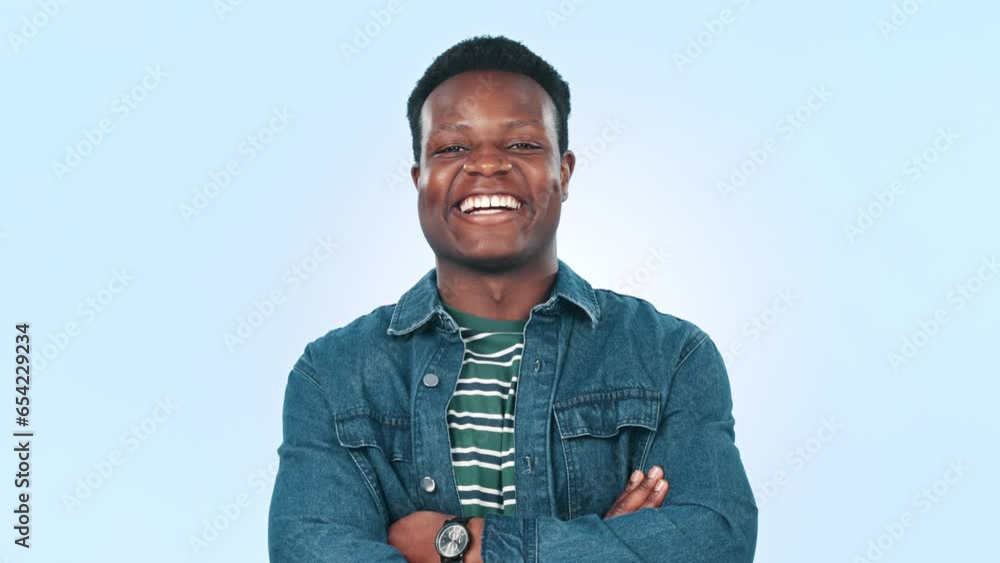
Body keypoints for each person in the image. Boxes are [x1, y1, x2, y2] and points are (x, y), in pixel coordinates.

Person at [268, 35, 757, 563]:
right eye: (452, 148)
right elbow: (307, 550)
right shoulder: (334, 375)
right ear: (419, 180)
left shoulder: (670, 357)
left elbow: (715, 540)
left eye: (522, 145)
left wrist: (461, 544)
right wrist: (604, 547)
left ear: (563, 173)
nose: (487, 165)